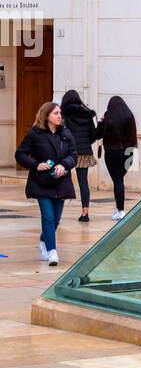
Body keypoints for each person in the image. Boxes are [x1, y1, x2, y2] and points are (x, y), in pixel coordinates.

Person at [15, 101, 77, 266]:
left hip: (61, 182)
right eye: (56, 113)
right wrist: (36, 165)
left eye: (60, 113)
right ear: (46, 116)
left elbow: (73, 155)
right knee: (48, 217)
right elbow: (20, 154)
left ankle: (44, 240)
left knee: (55, 220)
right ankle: (52, 252)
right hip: (42, 182)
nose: (59, 116)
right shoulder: (35, 134)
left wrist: (64, 165)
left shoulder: (65, 133)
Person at [94, 96, 138, 221]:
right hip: (129, 152)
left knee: (117, 181)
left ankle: (120, 210)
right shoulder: (129, 116)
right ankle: (119, 209)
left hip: (112, 153)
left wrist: (101, 122)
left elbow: (97, 135)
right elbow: (133, 136)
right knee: (119, 180)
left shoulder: (108, 117)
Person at [60, 90, 98, 223]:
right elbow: (93, 136)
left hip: (67, 152)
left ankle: (56, 209)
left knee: (62, 179)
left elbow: (61, 133)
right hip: (84, 152)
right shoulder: (87, 114)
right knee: (83, 183)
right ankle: (85, 213)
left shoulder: (63, 114)